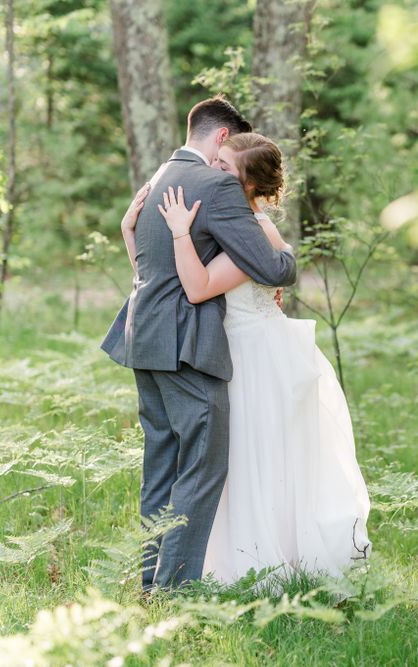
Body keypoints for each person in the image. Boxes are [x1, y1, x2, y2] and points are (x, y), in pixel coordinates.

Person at [123, 132, 371, 585]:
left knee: (250, 461)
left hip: (250, 357)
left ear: (249, 184)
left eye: (224, 167)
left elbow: (196, 287)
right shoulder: (225, 222)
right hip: (223, 350)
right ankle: (199, 568)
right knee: (222, 463)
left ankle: (253, 563)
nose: (213, 169)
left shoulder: (251, 231)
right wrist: (131, 231)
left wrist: (179, 232)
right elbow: (161, 280)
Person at [102, 96, 297, 591]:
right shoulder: (216, 185)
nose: (221, 165)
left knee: (161, 468)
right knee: (203, 469)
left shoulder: (159, 178)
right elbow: (271, 267)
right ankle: (172, 592)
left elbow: (153, 269)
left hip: (143, 338)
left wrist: (126, 230)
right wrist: (288, 259)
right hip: (187, 348)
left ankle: (150, 584)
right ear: (224, 136)